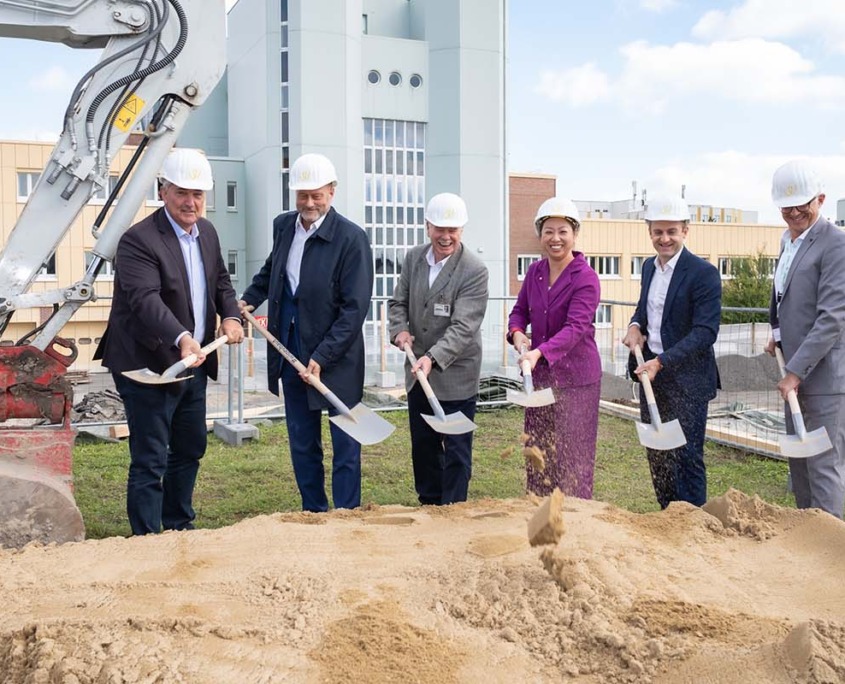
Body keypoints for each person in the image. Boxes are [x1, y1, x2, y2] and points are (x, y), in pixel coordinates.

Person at [94, 148, 244, 535]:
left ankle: (179, 525)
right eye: (181, 192)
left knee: (190, 447)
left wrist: (228, 315)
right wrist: (181, 337)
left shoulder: (207, 233)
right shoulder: (137, 241)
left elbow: (221, 282)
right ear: (163, 191)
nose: (190, 202)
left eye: (198, 194)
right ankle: (147, 538)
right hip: (146, 364)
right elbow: (146, 300)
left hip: (191, 362)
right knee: (150, 456)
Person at [240, 153, 373, 513]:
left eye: (317, 194)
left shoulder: (351, 238)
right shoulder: (284, 226)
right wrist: (249, 300)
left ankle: (346, 514)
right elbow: (272, 271)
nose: (310, 203)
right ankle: (314, 511)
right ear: (293, 193)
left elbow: (354, 307)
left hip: (337, 357)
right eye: (303, 195)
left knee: (345, 442)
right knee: (302, 440)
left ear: (332, 191)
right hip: (291, 351)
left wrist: (322, 357)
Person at [388, 193, 489, 505]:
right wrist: (399, 329)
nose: (446, 236)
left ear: (462, 230)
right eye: (439, 228)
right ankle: (430, 502)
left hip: (455, 372)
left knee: (457, 448)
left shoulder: (474, 270)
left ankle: (455, 506)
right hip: (418, 371)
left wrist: (433, 358)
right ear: (428, 226)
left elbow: (464, 327)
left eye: (453, 230)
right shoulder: (413, 258)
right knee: (424, 445)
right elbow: (398, 303)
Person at [622, 195, 721, 509]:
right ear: (649, 231)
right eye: (658, 232)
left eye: (672, 231)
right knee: (658, 455)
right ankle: (667, 516)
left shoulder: (703, 273)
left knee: (687, 455)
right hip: (653, 376)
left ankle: (693, 523)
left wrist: (662, 362)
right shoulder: (650, 268)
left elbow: (705, 333)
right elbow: (645, 310)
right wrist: (635, 324)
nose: (664, 238)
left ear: (685, 231)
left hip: (687, 379)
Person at [766, 160, 845, 519]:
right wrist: (778, 337)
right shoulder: (789, 241)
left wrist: (795, 372)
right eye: (787, 206)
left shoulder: (836, 244)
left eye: (803, 204)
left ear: (821, 199)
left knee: (824, 468)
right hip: (795, 374)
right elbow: (785, 299)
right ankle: (806, 544)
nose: (794, 212)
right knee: (800, 465)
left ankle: (831, 554)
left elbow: (831, 318)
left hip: (823, 378)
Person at [507, 197, 602, 498]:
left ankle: (576, 516)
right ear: (540, 234)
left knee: (572, 454)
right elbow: (519, 311)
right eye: (548, 231)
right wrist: (518, 334)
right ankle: (538, 508)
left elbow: (576, 328)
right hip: (540, 378)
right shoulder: (534, 272)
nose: (555, 238)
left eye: (563, 231)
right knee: (538, 449)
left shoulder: (585, 278)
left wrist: (537, 352)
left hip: (577, 381)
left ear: (575, 234)